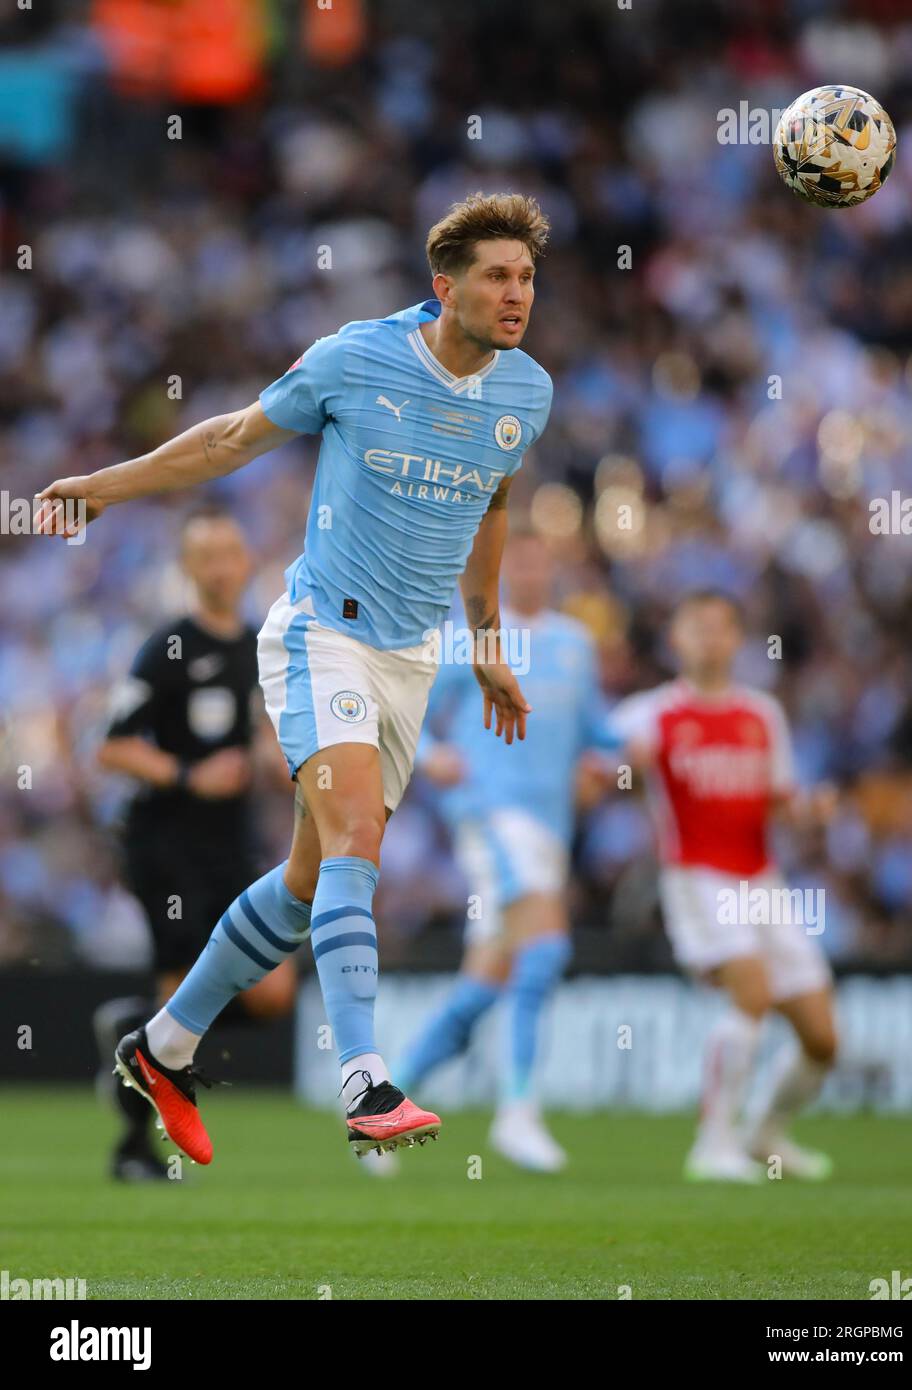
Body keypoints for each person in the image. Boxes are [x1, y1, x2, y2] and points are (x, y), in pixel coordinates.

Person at [36, 192, 554, 1164]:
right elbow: (230, 438)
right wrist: (103, 488)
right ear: (444, 287)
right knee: (357, 834)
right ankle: (365, 1076)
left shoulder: (526, 393)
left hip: (411, 655)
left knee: (311, 878)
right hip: (324, 631)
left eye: (524, 275)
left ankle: (164, 1046)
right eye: (495, 274)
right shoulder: (357, 358)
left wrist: (483, 636)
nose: (515, 292)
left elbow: (492, 506)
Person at [393, 528, 615, 1172]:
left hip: (552, 829)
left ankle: (382, 1104)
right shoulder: (471, 642)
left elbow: (598, 731)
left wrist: (606, 763)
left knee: (488, 980)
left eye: (538, 559)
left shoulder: (575, 644)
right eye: (513, 559)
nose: (528, 570)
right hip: (491, 816)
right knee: (546, 948)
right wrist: (434, 759)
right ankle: (517, 1113)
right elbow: (408, 714)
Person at [93, 507, 295, 1180]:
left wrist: (274, 760)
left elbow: (259, 733)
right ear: (188, 568)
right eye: (205, 555)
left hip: (230, 844)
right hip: (167, 842)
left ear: (244, 561)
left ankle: (134, 1026)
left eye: (229, 552)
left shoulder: (255, 645)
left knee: (272, 994)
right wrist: (188, 774)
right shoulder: (168, 647)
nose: (219, 566)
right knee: (178, 994)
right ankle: (130, 1152)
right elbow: (114, 747)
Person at [611, 591, 838, 1183]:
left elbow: (781, 801)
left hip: (762, 877)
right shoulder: (647, 715)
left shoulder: (762, 715)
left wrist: (809, 812)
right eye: (698, 627)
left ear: (737, 639)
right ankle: (712, 1144)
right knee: (752, 993)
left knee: (822, 1038)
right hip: (695, 875)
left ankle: (766, 1134)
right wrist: (622, 769)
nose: (711, 639)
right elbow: (597, 777)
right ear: (675, 640)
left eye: (721, 628)